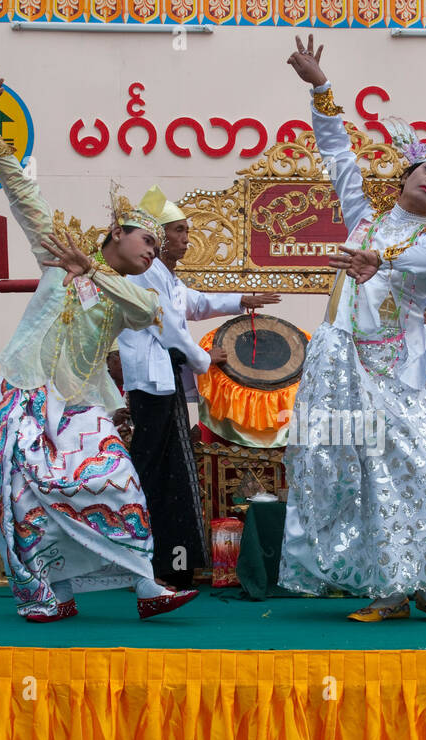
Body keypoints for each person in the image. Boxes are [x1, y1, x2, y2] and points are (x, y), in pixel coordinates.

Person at [0, 72, 198, 622]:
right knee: (24, 494)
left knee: (115, 481)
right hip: (24, 394)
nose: (154, 251)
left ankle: (146, 585)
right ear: (117, 231)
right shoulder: (57, 250)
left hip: (80, 405)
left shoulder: (127, 292)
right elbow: (21, 191)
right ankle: (47, 590)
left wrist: (91, 268)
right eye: (148, 240)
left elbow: (151, 315)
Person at [279, 35, 426, 623]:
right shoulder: (363, 217)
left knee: (421, 469)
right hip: (344, 367)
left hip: (400, 372)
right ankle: (385, 588)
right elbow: (338, 154)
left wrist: (381, 262)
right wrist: (320, 88)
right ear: (407, 176)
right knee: (354, 471)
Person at [121, 186, 280, 589]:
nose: (185, 238)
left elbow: (194, 303)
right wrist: (205, 359)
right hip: (152, 383)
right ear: (156, 236)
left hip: (166, 381)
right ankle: (148, 562)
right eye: (178, 231)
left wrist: (241, 299)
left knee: (170, 467)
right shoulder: (148, 272)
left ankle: (168, 563)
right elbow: (171, 327)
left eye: (187, 231)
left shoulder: (166, 276)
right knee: (156, 470)